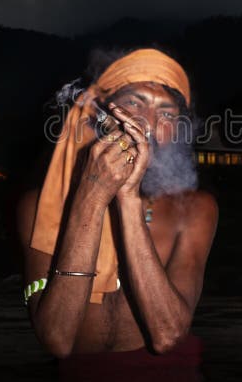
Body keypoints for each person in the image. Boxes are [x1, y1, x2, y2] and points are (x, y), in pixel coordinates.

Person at [15, 47, 218, 381]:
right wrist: (93, 196)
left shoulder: (194, 210)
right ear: (99, 115)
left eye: (166, 114)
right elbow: (57, 340)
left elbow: (168, 335)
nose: (148, 123)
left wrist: (127, 197)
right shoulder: (40, 207)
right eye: (134, 103)